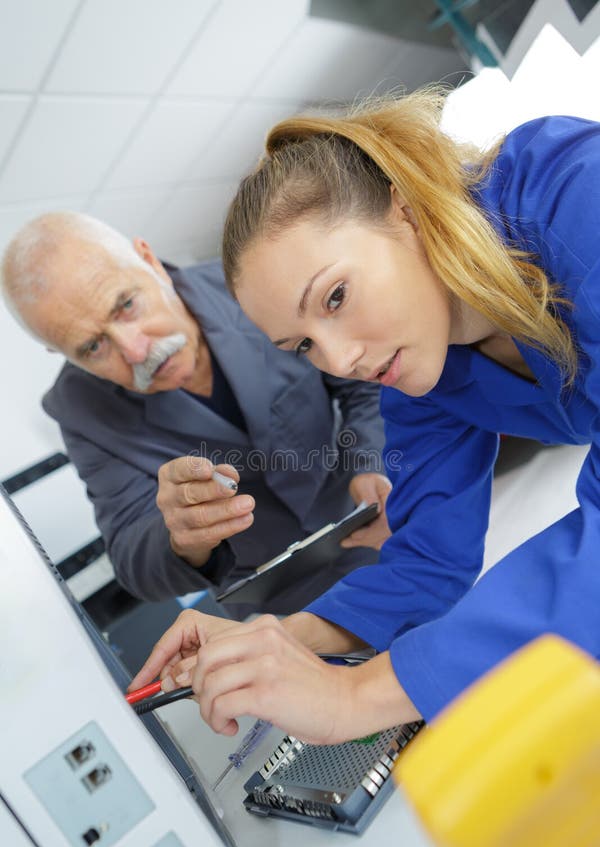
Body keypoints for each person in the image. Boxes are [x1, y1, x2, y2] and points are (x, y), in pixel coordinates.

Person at [129, 89, 600, 745]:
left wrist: (355, 696)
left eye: (337, 296)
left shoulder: (579, 198)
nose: (341, 358)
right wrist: (278, 644)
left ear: (404, 208)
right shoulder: (419, 378)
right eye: (304, 347)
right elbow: (428, 563)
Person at [0, 212, 391, 615]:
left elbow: (359, 381)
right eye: (92, 347)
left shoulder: (249, 285)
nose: (136, 351)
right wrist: (180, 539)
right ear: (61, 354)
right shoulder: (79, 410)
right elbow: (132, 561)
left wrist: (369, 462)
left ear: (149, 261)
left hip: (373, 523)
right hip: (281, 597)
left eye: (127, 305)